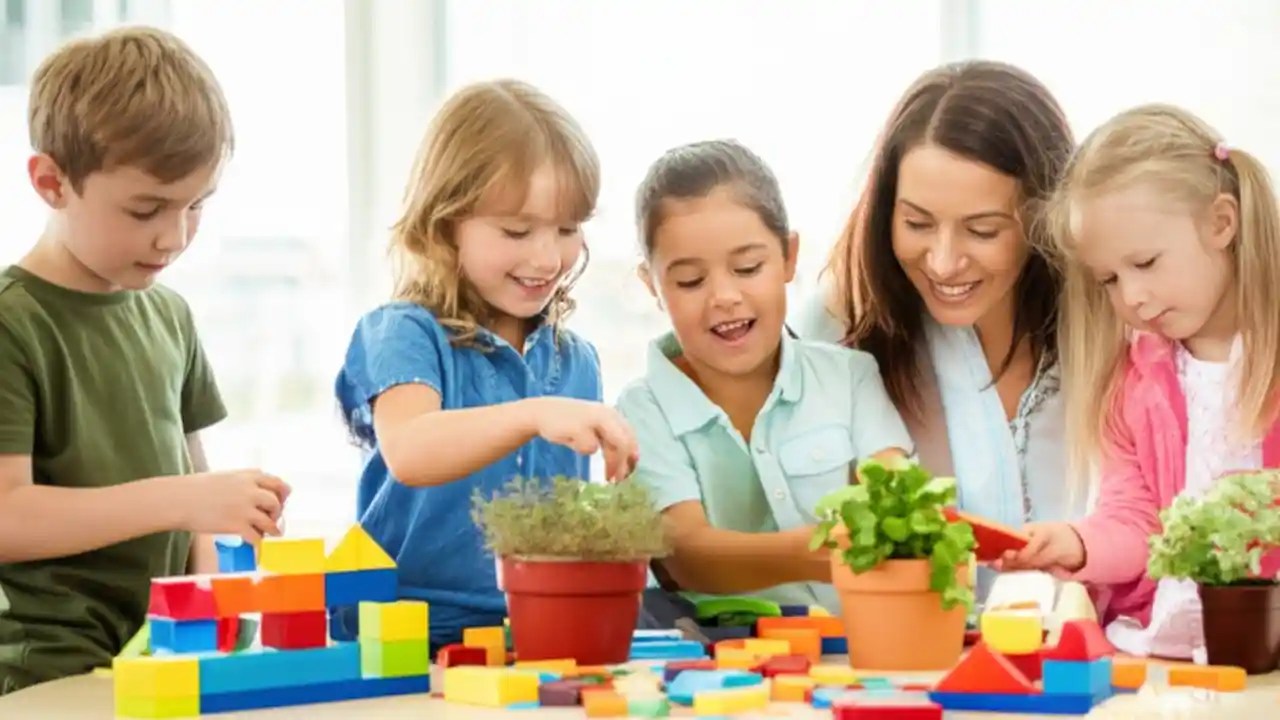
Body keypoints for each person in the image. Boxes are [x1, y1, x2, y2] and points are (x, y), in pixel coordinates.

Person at [0, 27, 290, 694]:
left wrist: (224, 608)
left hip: (159, 655)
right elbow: (7, 518)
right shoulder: (14, 321)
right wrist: (182, 501)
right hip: (45, 663)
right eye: (146, 209)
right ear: (51, 182)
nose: (176, 236)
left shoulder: (169, 316)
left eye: (197, 206)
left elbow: (200, 506)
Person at [333, 79, 639, 648]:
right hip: (402, 636)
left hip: (531, 631)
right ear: (444, 224)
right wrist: (533, 413)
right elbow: (412, 449)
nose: (548, 257)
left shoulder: (576, 362)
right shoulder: (401, 333)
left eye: (568, 229)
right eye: (517, 231)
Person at [1000, 104, 1280, 658]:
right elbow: (1136, 521)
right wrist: (1078, 543)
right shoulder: (1134, 382)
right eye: (1108, 279)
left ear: (1222, 223)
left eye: (1146, 263)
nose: (1130, 297)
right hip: (1170, 650)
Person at [791, 61, 1081, 545]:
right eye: (917, 224)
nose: (944, 263)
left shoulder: (1114, 324)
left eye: (982, 230)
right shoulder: (842, 323)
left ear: (1046, 216)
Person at [618, 139, 912, 615]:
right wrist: (821, 551)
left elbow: (900, 502)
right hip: (722, 667)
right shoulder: (641, 411)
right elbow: (688, 556)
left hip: (859, 657)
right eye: (690, 281)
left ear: (789, 257)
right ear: (652, 285)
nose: (724, 296)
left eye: (748, 268)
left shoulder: (851, 378)